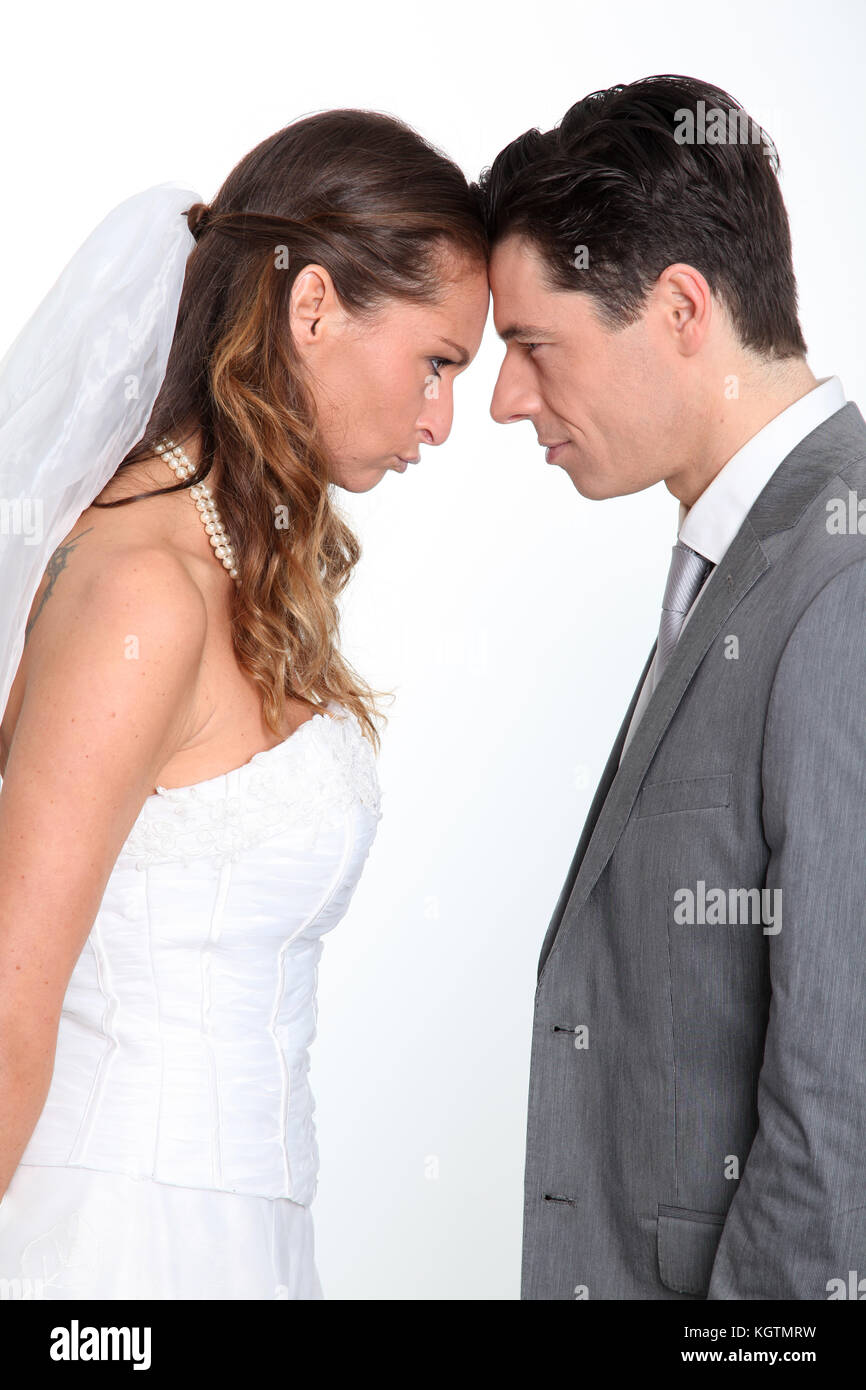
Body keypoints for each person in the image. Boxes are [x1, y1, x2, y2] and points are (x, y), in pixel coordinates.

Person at [0, 108, 488, 1299]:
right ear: (311, 307)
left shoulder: (238, 557)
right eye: (435, 362)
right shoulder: (143, 591)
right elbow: (10, 994)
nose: (441, 420)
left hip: (247, 1245)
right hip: (112, 1251)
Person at [476, 74, 866, 1299]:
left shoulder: (842, 567)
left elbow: (840, 1098)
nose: (503, 400)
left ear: (680, 307)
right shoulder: (742, 549)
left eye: (535, 346)